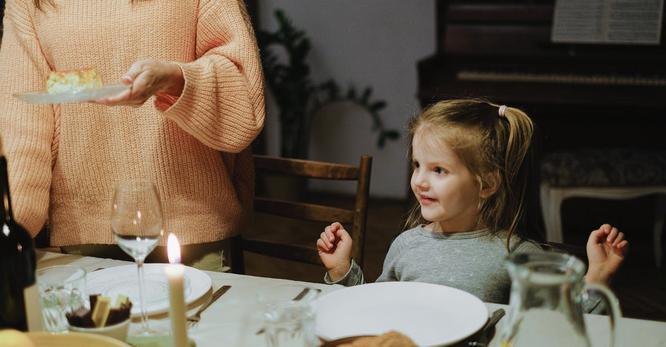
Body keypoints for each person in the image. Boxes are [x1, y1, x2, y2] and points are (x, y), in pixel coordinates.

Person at [0, 0, 265, 270]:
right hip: (82, 241)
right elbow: (21, 130)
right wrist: (11, 224)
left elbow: (245, 106)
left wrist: (176, 80)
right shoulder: (28, 4)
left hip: (193, 233)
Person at [316, 99, 628, 305]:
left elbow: (562, 326)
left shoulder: (516, 254)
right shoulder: (405, 245)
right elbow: (374, 311)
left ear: (487, 184)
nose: (420, 180)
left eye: (439, 170)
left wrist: (596, 278)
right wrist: (344, 270)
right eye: (417, 165)